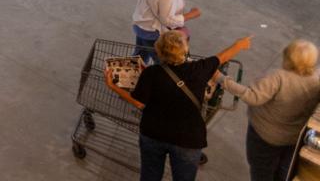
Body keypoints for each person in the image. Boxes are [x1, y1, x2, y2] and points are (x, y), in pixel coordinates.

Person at [107, 31, 252, 181]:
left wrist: (113, 86)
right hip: (188, 139)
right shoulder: (199, 68)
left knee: (150, 176)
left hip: (153, 133)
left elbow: (138, 101)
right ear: (184, 50)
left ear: (158, 51)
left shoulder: (151, 73)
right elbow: (222, 57)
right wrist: (239, 44)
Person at [221, 39, 320, 181]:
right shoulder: (316, 80)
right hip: (293, 139)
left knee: (262, 172)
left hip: (264, 136)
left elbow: (252, 97)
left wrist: (223, 80)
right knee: (284, 172)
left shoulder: (277, 77)